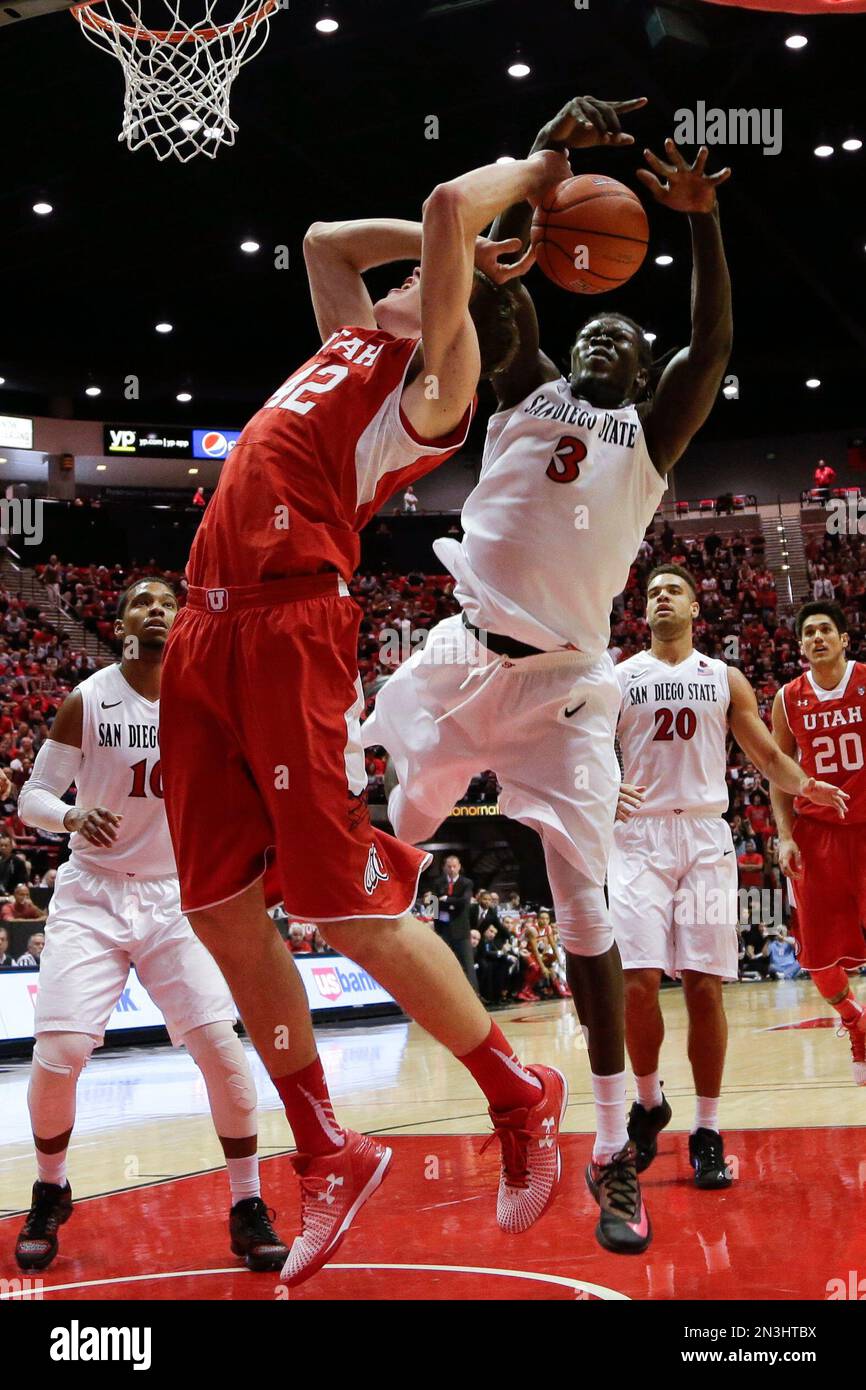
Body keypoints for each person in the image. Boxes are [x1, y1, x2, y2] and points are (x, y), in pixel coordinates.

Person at [159, 151, 573, 1289]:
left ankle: (517, 1093)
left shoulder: (430, 392)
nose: (395, 276)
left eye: (421, 278)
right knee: (215, 911)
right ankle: (329, 1149)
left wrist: (528, 179)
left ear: (451, 307)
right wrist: (456, 251)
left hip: (289, 629)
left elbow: (444, 210)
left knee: (341, 907)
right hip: (202, 630)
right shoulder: (352, 342)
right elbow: (324, 241)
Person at [363, 91, 733, 1255]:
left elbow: (708, 345)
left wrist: (699, 224)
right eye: (594, 328)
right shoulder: (521, 381)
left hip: (567, 688)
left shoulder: (655, 434)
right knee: (387, 836)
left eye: (625, 336)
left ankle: (614, 1149)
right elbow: (482, 276)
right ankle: (373, 929)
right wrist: (546, 157)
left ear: (642, 363)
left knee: (588, 917)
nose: (604, 340)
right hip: (461, 653)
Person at [14, 577, 288, 1274]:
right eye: (142, 601)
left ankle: (248, 1205)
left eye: (169, 601)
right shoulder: (91, 699)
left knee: (223, 1051)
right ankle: (51, 1189)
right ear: (123, 621)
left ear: (185, 621)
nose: (157, 609)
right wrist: (71, 815)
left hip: (175, 898)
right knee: (59, 1056)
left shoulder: (209, 700)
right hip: (93, 894)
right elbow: (32, 798)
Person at [612, 566, 843, 1187]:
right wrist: (600, 789)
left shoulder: (723, 677)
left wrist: (806, 784)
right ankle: (648, 1098)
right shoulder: (618, 677)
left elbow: (768, 756)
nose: (661, 597)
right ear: (646, 611)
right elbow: (578, 748)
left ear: (695, 607)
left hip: (706, 837)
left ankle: (708, 1129)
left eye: (673, 590)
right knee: (635, 982)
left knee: (704, 987)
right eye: (652, 591)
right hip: (638, 837)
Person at [770, 601, 864, 1082]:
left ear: (845, 638)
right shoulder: (787, 698)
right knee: (818, 958)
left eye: (827, 629)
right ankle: (855, 1022)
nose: (818, 637)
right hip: (817, 837)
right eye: (809, 632)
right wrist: (785, 836)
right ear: (802, 645)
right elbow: (777, 770)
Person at [431, 854, 477, 989]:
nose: (451, 869)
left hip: (460, 930)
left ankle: (475, 994)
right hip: (443, 929)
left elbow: (464, 902)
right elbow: (434, 904)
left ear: (459, 867)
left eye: (454, 866)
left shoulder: (466, 883)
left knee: (467, 964)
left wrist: (446, 900)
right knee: (445, 964)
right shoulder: (437, 883)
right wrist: (450, 903)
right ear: (444, 867)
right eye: (449, 866)